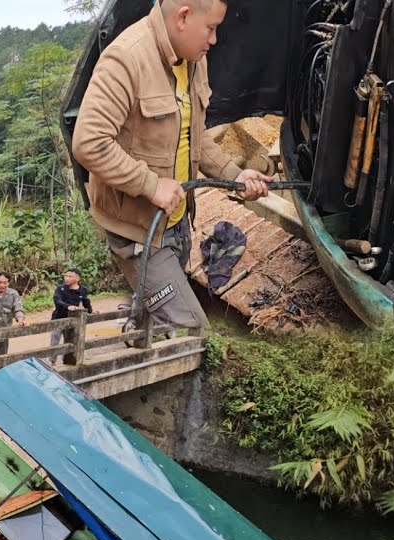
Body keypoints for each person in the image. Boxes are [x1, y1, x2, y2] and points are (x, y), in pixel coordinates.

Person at [72, 0, 272, 333]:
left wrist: (234, 174)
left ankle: (139, 355)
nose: (214, 40)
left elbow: (194, 137)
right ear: (183, 17)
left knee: (155, 325)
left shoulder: (194, 61)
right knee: (192, 331)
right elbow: (89, 143)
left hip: (177, 224)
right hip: (138, 230)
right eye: (210, 28)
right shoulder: (127, 58)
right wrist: (150, 185)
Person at [49, 269, 93, 363]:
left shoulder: (83, 290)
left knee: (69, 341)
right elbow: (57, 301)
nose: (67, 278)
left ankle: (66, 361)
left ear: (77, 279)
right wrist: (68, 306)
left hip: (72, 320)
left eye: (70, 276)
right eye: (66, 276)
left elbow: (86, 302)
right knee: (54, 339)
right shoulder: (60, 288)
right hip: (58, 318)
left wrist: (91, 311)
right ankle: (52, 362)